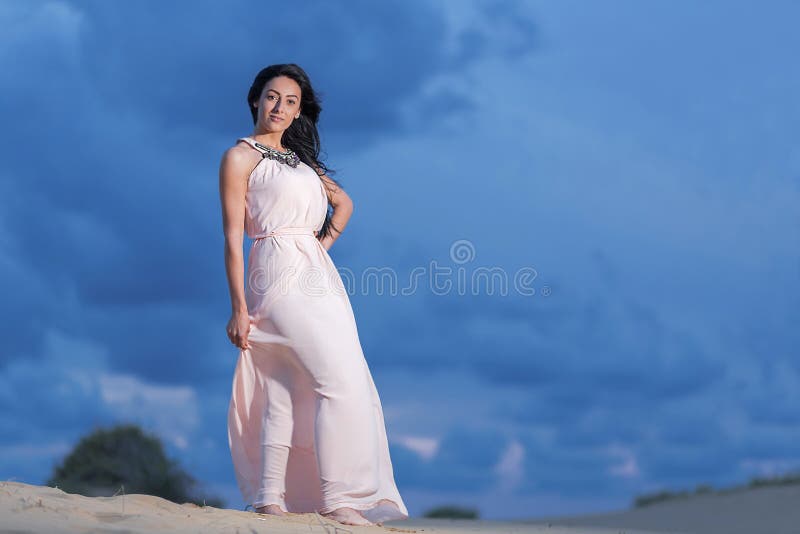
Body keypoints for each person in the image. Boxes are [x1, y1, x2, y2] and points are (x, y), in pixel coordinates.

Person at [218, 63, 409, 527]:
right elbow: (232, 238)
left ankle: (270, 498)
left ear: (300, 111)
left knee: (286, 387)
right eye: (271, 96)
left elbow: (344, 204)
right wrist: (238, 309)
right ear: (255, 99)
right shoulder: (241, 157)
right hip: (274, 272)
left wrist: (315, 246)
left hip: (316, 276)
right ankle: (339, 497)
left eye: (290, 101)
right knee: (337, 380)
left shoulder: (303, 164)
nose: (279, 107)